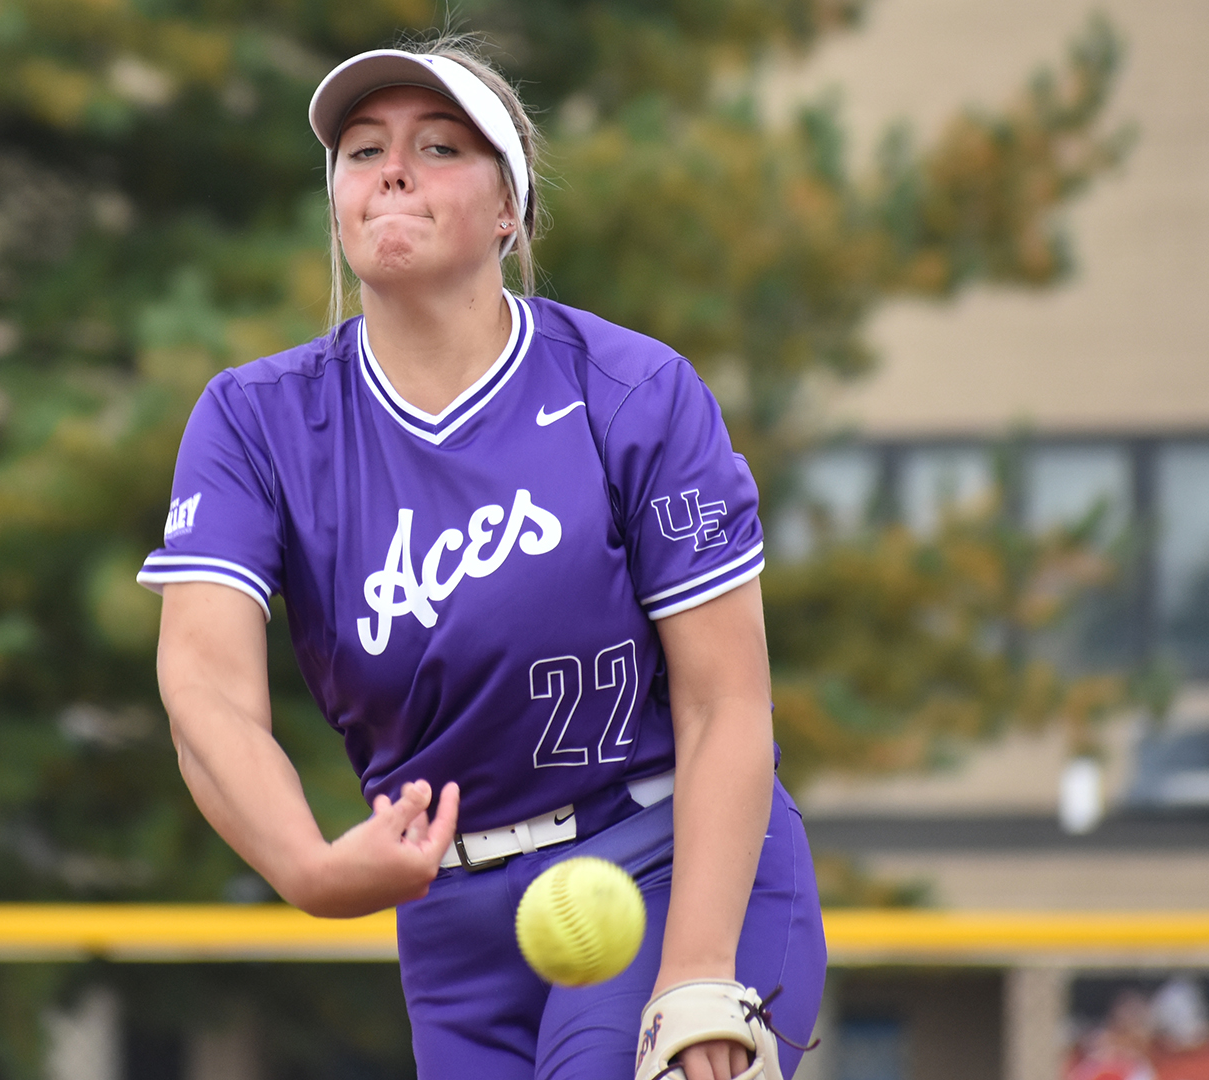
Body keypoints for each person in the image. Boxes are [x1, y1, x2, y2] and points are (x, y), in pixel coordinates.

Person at [142, 37, 826, 1080]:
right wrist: (312, 868)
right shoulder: (257, 421)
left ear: (511, 211)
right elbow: (203, 687)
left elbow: (726, 705)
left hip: (666, 858)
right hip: (456, 922)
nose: (394, 170)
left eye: (441, 146)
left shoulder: (631, 391)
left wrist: (696, 979)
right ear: (336, 199)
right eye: (363, 150)